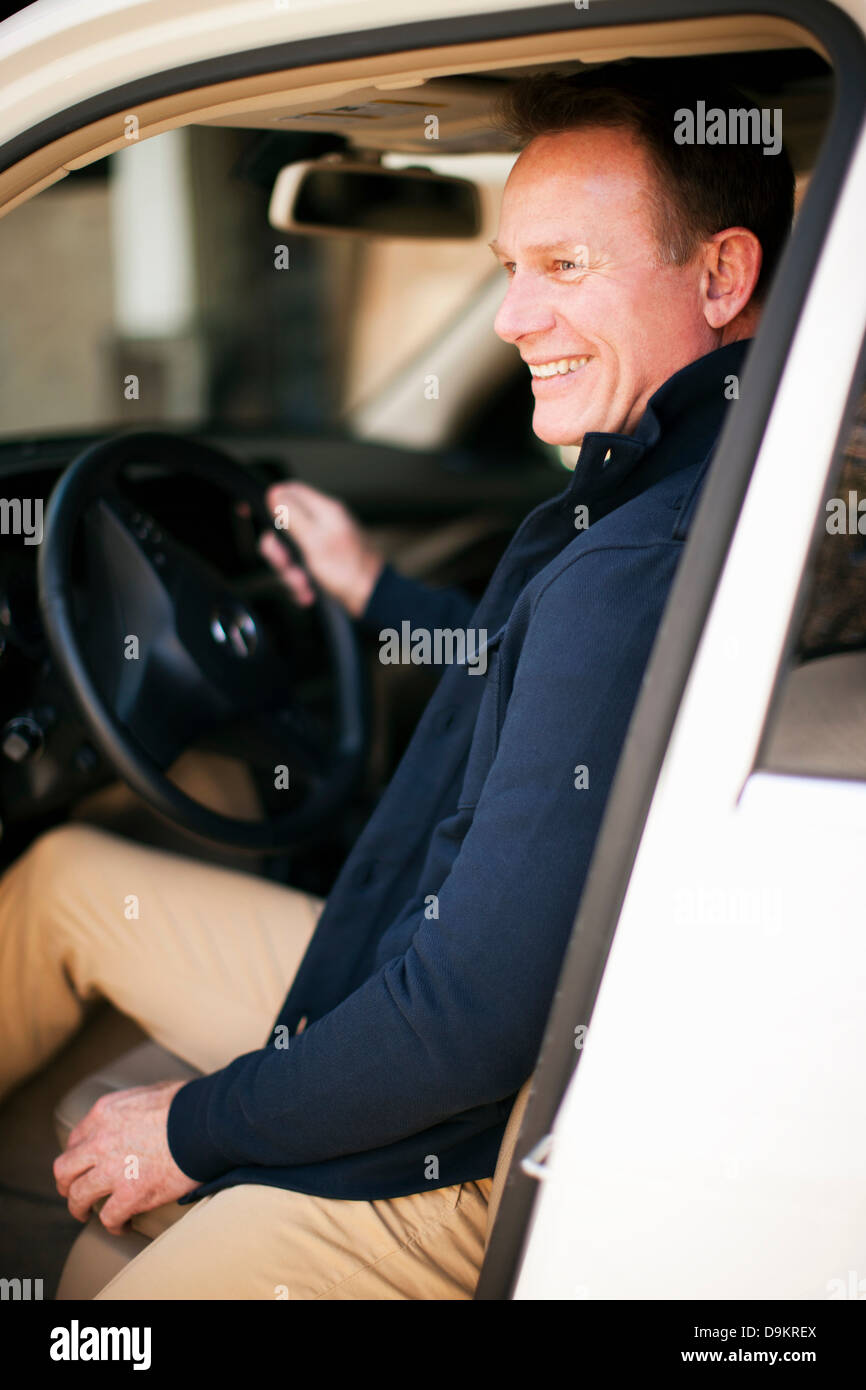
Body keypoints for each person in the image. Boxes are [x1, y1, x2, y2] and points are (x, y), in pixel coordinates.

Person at [0, 61, 794, 1298]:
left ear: (722, 274)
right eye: (507, 267)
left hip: (477, 1152)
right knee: (60, 883)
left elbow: (464, 1025)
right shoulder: (708, 479)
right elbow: (540, 672)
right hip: (451, 993)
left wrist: (190, 1130)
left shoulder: (636, 558)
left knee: (99, 1302)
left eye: (564, 268)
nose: (510, 317)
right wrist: (373, 592)